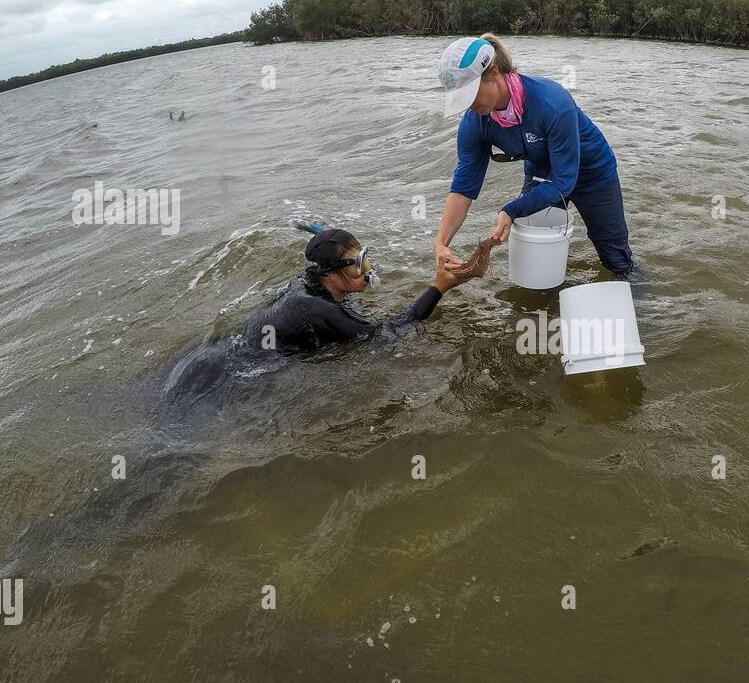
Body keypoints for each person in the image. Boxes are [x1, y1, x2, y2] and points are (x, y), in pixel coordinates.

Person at [159, 227, 472, 405]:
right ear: (331, 274)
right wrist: (438, 287)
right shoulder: (318, 308)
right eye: (358, 262)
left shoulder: (308, 285)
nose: (368, 268)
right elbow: (387, 336)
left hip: (212, 356)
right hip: (225, 378)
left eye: (364, 256)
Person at [433, 34, 637, 278]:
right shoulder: (475, 123)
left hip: (592, 174)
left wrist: (511, 209)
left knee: (616, 258)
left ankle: (640, 303)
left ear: (494, 72)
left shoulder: (551, 101)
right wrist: (441, 242)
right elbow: (464, 186)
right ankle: (543, 309)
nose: (468, 105)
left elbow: (564, 182)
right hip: (542, 175)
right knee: (532, 261)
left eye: (471, 94)